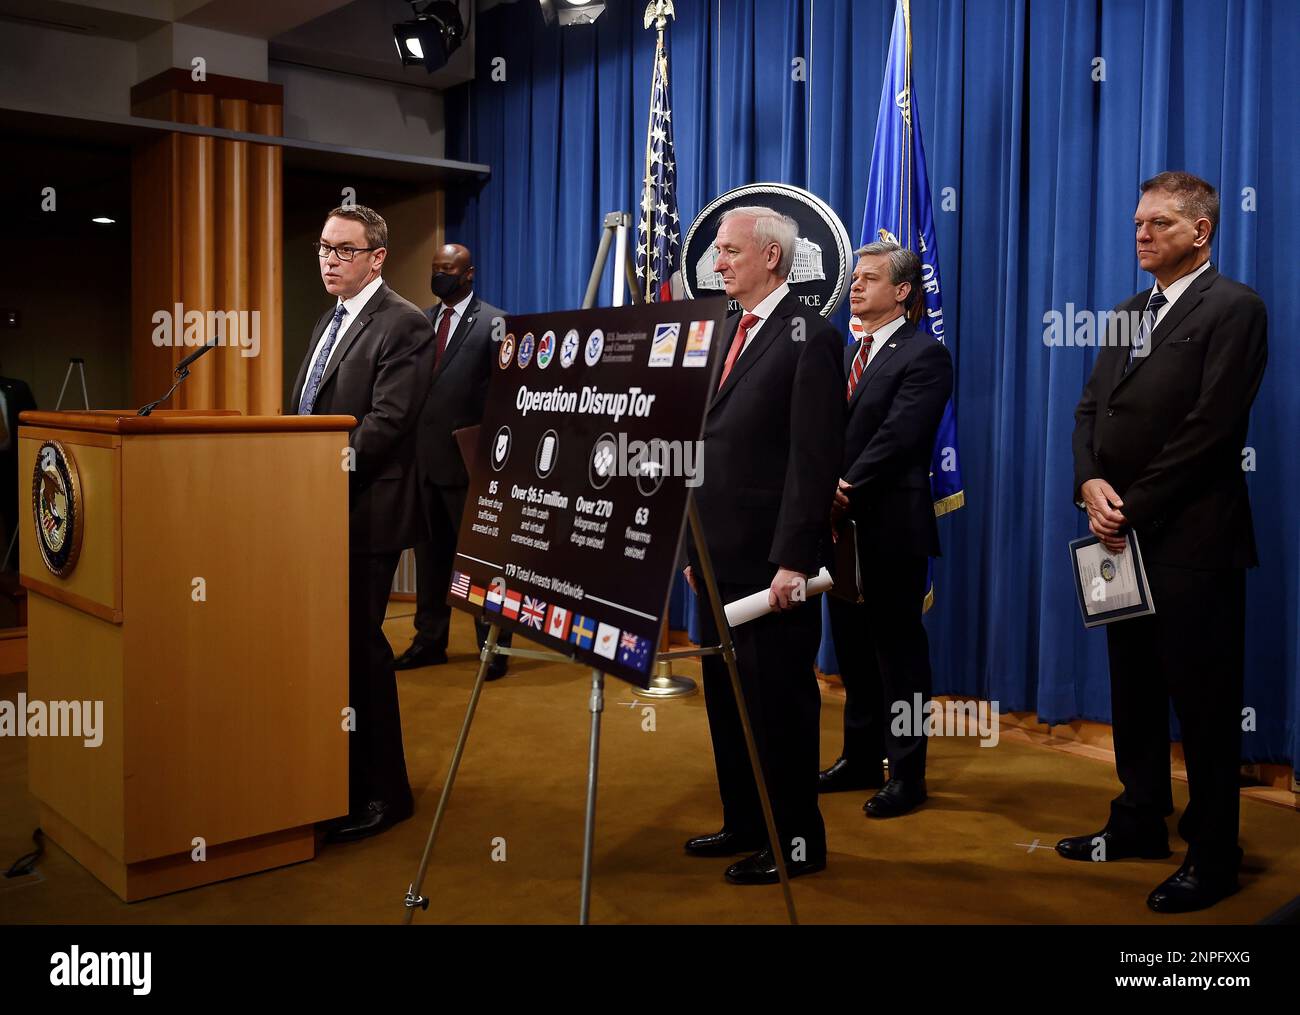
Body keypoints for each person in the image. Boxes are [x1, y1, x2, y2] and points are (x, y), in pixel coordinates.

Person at [1062, 171, 1268, 912]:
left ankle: (1213, 854)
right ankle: (1139, 820)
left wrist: (1131, 506)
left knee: (1206, 706)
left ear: (1200, 231)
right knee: (1134, 689)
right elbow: (1089, 411)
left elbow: (1213, 431)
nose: (1141, 233)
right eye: (1138, 222)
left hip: (1191, 541)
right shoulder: (1124, 312)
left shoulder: (1235, 308)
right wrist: (1090, 486)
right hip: (1116, 537)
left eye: (1157, 223)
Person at [683, 206, 843, 884]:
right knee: (727, 697)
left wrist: (795, 561)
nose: (715, 263)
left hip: (774, 560)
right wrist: (693, 552)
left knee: (778, 703)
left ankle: (797, 843)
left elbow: (813, 461)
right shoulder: (719, 325)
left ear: (771, 257)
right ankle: (745, 821)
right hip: (715, 555)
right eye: (716, 252)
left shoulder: (812, 336)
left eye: (727, 251)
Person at [291, 204, 434, 843]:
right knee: (334, 654)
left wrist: (313, 468)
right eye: (324, 248)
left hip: (364, 515)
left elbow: (388, 422)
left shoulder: (403, 324)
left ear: (376, 257)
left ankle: (386, 794)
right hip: (321, 513)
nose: (329, 259)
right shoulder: (332, 317)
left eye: (343, 250)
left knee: (360, 652)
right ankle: (342, 780)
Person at [819, 241, 953, 818]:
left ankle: (906, 773)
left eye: (869, 279)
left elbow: (900, 437)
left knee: (898, 655)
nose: (855, 287)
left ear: (902, 291)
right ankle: (858, 755)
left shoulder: (924, 354)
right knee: (850, 648)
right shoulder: (850, 351)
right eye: (855, 278)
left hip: (889, 524)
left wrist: (844, 487)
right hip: (837, 529)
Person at [393, 243, 513, 678]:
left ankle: (493, 648)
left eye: (449, 269)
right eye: (436, 268)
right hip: (423, 464)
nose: (440, 275)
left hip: (470, 464)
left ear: (469, 273)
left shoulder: (495, 322)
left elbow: (508, 394)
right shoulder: (421, 322)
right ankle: (429, 641)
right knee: (431, 559)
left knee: (482, 561)